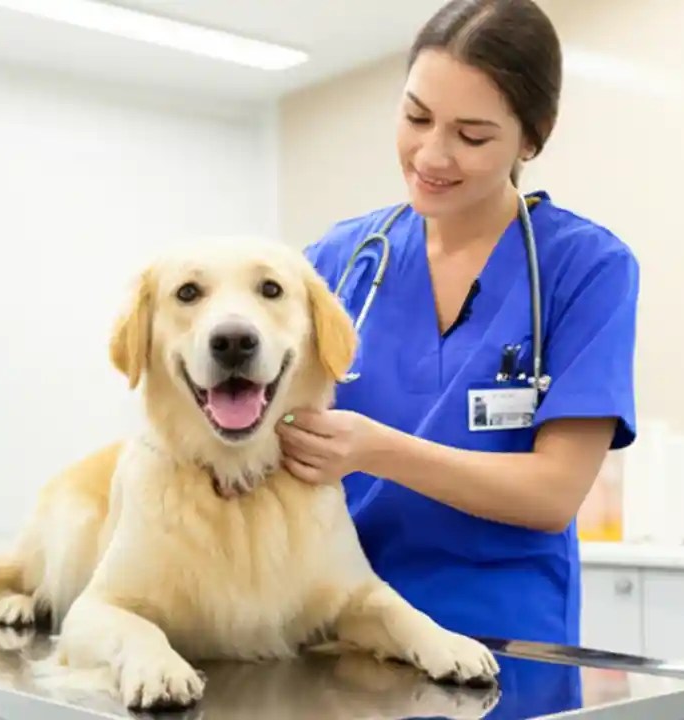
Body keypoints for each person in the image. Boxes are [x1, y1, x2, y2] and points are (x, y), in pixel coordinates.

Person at [274, 0, 639, 697]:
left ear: (534, 138)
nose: (432, 155)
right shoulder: (338, 262)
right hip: (338, 634)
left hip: (502, 649)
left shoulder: (585, 270)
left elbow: (554, 493)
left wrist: (374, 449)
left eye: (472, 136)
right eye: (415, 118)